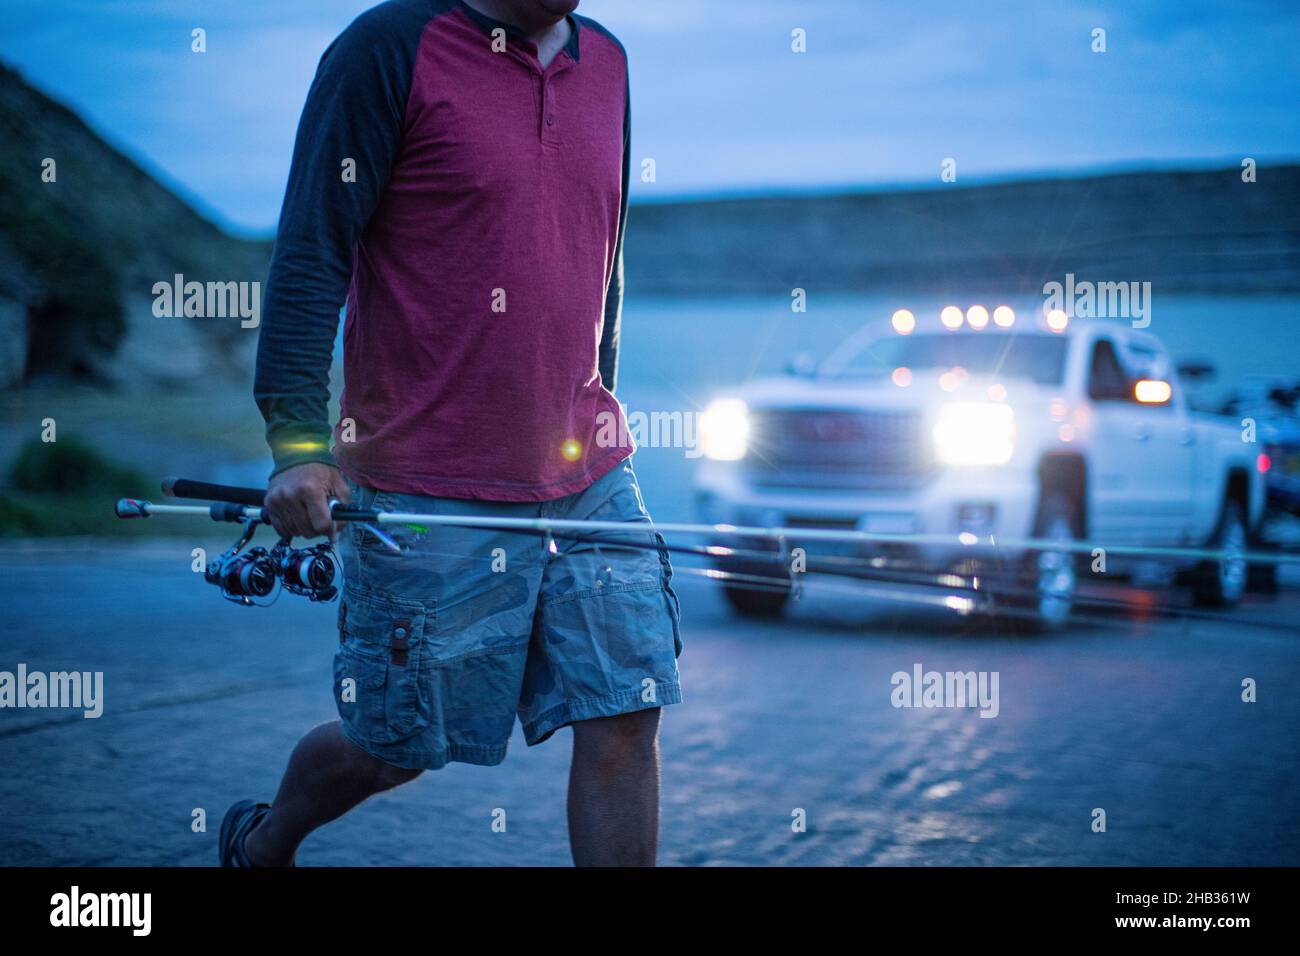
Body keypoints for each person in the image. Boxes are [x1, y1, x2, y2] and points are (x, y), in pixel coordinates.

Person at [220, 0, 682, 868]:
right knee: (394, 744)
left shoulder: (611, 63)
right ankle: (264, 840)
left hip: (587, 470)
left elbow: (600, 261)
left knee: (626, 708)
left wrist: (591, 397)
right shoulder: (388, 48)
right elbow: (313, 246)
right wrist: (298, 446)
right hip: (422, 476)